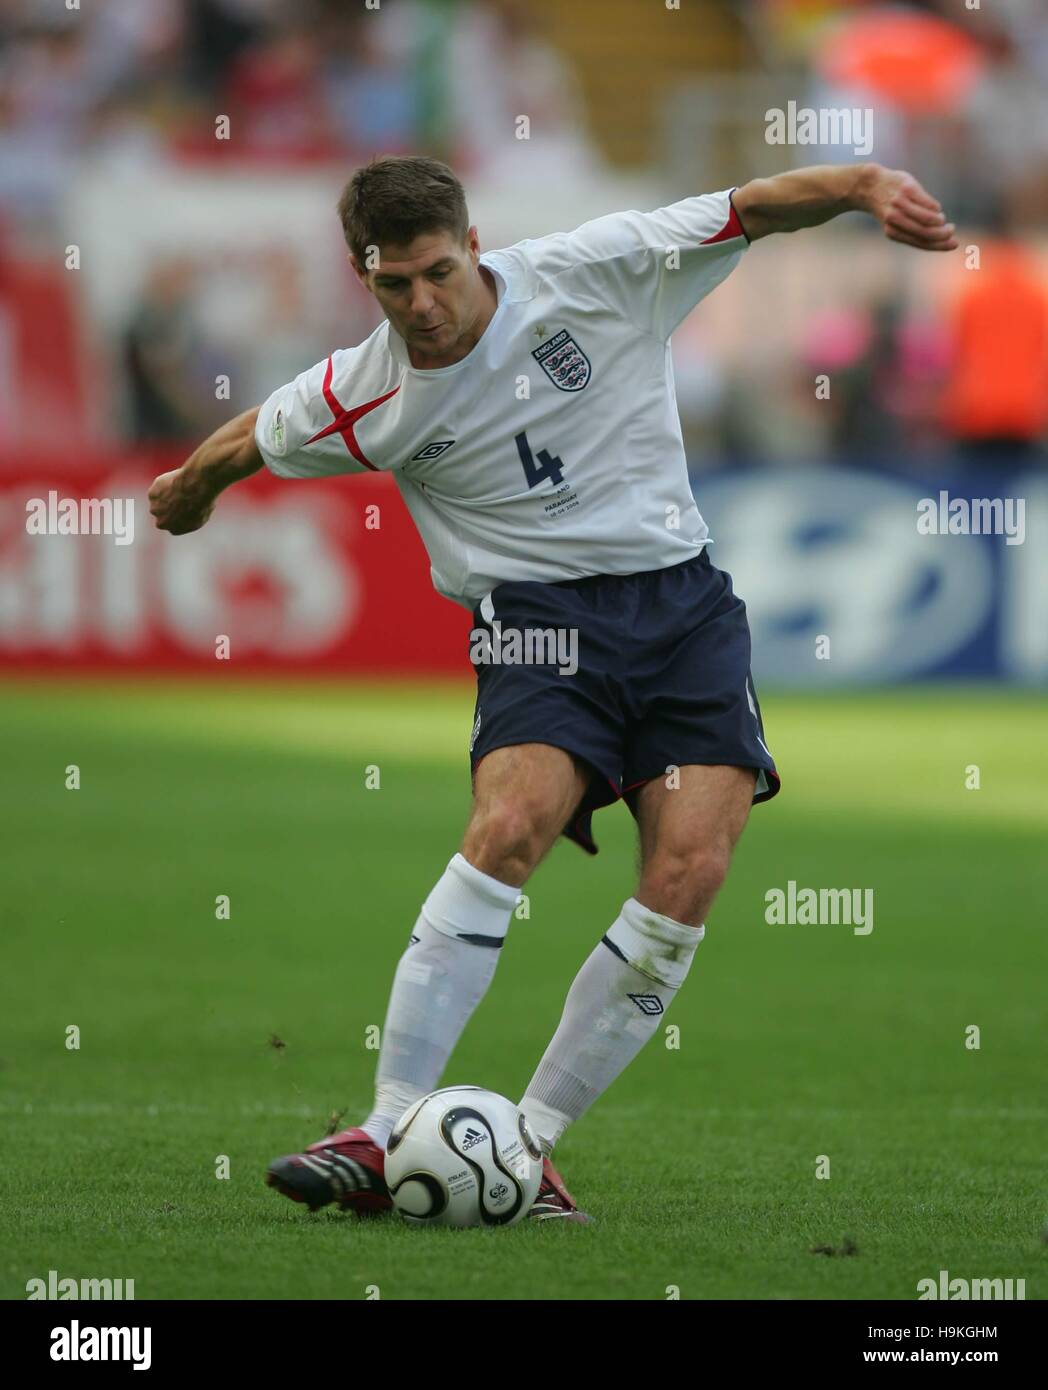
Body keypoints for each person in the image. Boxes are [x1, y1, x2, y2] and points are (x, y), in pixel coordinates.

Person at [149, 155, 956, 1222]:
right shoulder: (368, 390)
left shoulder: (598, 269)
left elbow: (748, 210)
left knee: (691, 868)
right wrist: (191, 488)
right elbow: (255, 433)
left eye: (438, 272)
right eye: (394, 285)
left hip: (682, 611)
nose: (423, 304)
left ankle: (523, 1148)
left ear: (474, 245)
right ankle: (384, 1125)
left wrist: (860, 183)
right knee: (511, 825)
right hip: (537, 624)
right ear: (365, 277)